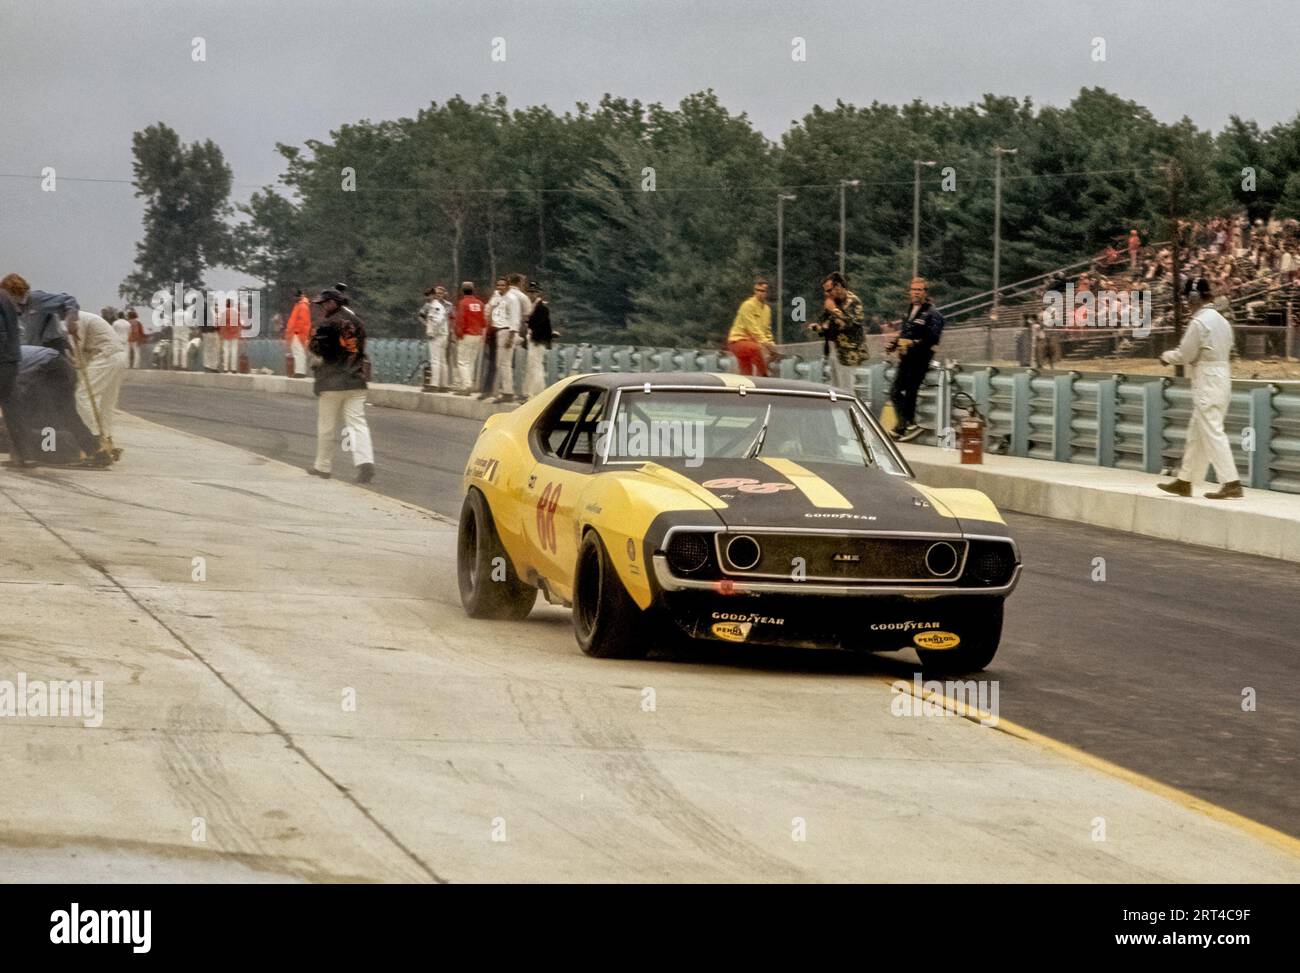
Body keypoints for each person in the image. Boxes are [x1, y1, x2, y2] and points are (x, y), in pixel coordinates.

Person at [1157, 277, 1242, 500]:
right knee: (1197, 433)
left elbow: (1185, 354)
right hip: (1222, 376)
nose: (1187, 302)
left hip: (1207, 378)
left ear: (1194, 297)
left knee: (1212, 430)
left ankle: (1231, 481)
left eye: (1188, 298)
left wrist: (1167, 357)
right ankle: (1186, 481)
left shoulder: (1199, 322)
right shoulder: (1222, 321)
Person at [307, 288, 375, 483]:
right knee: (357, 424)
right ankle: (365, 463)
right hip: (356, 380)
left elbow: (318, 350)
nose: (321, 308)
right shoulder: (357, 321)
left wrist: (314, 347)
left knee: (327, 426)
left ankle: (322, 467)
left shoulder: (326, 324)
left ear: (332, 303)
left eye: (322, 304)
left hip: (332, 382)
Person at [887, 277, 944, 442]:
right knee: (895, 391)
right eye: (913, 290)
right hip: (905, 357)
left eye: (919, 290)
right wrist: (895, 343)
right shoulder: (909, 310)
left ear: (925, 293)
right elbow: (904, 333)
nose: (916, 293)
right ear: (909, 292)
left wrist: (913, 343)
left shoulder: (933, 314)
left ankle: (906, 424)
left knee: (910, 390)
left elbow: (933, 338)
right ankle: (905, 424)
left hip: (920, 358)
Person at [67, 308, 127, 455]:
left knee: (83, 396)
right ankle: (107, 440)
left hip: (105, 355)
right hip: (118, 355)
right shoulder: (81, 316)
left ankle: (93, 442)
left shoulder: (74, 320)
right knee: (107, 402)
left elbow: (77, 352)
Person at [813, 271, 867, 392]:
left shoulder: (853, 301)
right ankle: (839, 411)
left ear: (838, 286)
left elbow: (852, 324)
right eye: (825, 291)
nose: (827, 294)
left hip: (848, 352)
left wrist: (834, 309)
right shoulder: (834, 301)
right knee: (835, 389)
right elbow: (825, 319)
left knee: (846, 390)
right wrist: (819, 326)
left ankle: (850, 411)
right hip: (833, 348)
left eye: (829, 290)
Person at [0, 273, 34, 468]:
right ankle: (24, 454)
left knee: (11, 408)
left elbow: (1, 333)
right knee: (12, 409)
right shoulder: (8, 301)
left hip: (2, 360)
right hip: (12, 360)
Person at [727, 279, 774, 376]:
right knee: (756, 349)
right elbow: (752, 327)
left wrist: (770, 342)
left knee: (746, 372)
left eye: (763, 291)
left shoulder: (767, 309)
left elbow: (767, 329)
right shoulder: (747, 305)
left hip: (752, 342)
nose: (759, 293)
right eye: (757, 290)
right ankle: (764, 375)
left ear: (767, 293)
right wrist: (765, 342)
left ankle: (750, 387)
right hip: (738, 341)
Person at [453, 281, 485, 394]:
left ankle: (466, 386)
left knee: (462, 361)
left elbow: (460, 320)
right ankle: (469, 383)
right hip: (478, 334)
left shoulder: (463, 303)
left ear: (462, 290)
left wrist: (458, 334)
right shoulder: (480, 303)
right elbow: (483, 321)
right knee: (471, 361)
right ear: (473, 290)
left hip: (466, 334)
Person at [523, 280, 551, 399]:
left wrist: (535, 338)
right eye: (529, 292)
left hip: (537, 340)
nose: (531, 295)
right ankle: (530, 392)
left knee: (536, 366)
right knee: (532, 366)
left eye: (534, 292)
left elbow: (543, 326)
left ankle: (537, 393)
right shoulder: (532, 307)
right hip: (532, 339)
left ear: (538, 293)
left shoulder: (542, 308)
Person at [420, 286, 451, 391]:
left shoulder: (435, 307)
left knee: (435, 360)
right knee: (442, 360)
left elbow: (438, 321)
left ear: (433, 295)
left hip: (436, 336)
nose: (427, 298)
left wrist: (432, 333)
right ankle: (444, 385)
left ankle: (434, 384)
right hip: (443, 335)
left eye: (428, 296)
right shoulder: (438, 306)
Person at [284, 289, 312, 377]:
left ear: (299, 296)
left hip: (297, 333)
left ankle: (300, 372)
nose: (294, 298)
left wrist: (296, 332)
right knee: (298, 352)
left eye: (295, 296)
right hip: (297, 333)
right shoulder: (300, 305)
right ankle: (299, 371)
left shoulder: (302, 306)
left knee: (298, 352)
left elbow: (302, 321)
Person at [218, 298, 242, 372]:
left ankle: (225, 368)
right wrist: (239, 333)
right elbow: (239, 324)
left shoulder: (223, 313)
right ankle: (233, 369)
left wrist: (221, 334)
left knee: (226, 351)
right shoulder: (236, 313)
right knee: (234, 351)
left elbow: (220, 324)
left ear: (226, 304)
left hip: (225, 334)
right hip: (234, 334)